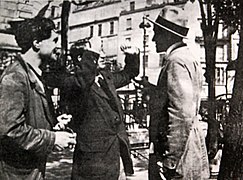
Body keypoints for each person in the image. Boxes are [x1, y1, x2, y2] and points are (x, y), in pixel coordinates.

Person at [0, 16, 76, 180]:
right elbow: (10, 131)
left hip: (30, 170)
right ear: (37, 43)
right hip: (16, 173)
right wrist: (53, 138)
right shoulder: (14, 78)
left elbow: (27, 119)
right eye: (54, 40)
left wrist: (53, 124)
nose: (57, 46)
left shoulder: (33, 74)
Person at [144, 5, 210, 180]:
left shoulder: (176, 61)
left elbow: (181, 113)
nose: (153, 39)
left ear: (167, 34)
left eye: (156, 33)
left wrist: (170, 160)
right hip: (189, 146)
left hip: (181, 155)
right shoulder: (187, 56)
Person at [62, 40, 140, 180]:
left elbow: (128, 74)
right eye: (97, 52)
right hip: (93, 161)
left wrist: (132, 54)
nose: (103, 55)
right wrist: (92, 55)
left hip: (115, 155)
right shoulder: (72, 82)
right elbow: (84, 80)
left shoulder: (104, 77)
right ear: (82, 58)